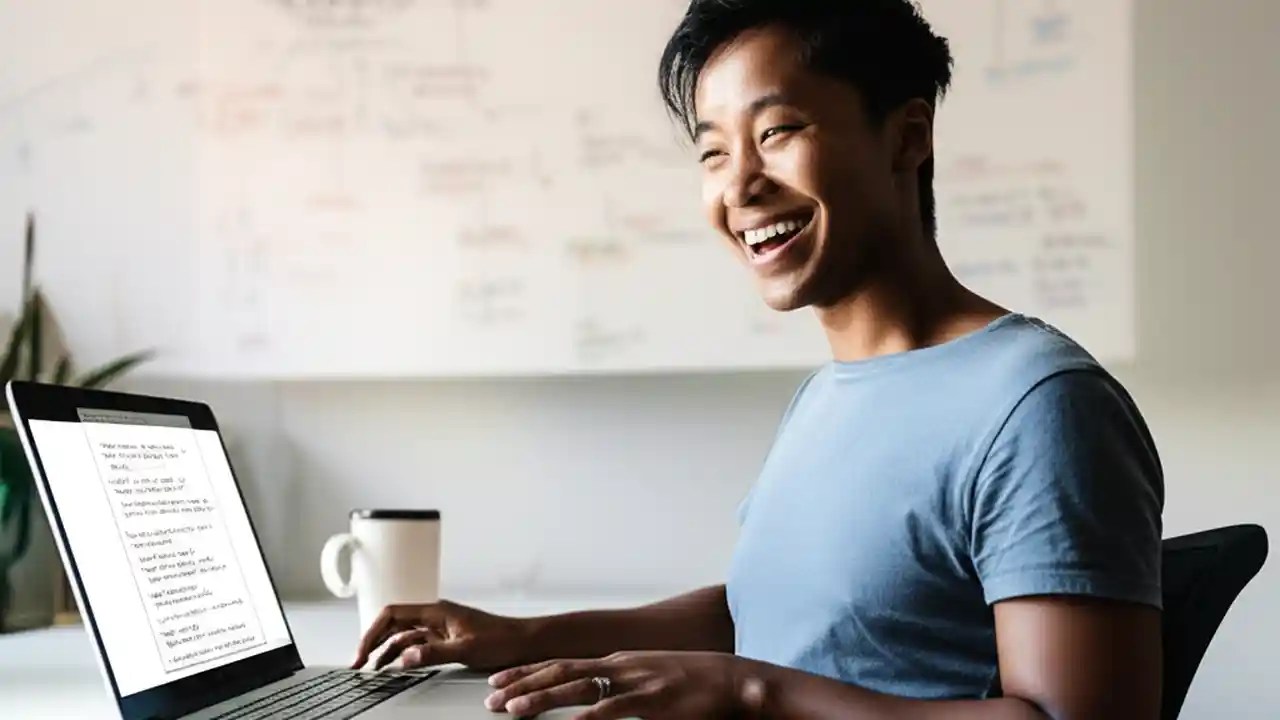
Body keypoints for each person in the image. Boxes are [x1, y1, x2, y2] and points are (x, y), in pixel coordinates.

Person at [350, 1, 1164, 718]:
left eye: (777, 132)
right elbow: (762, 615)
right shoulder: (828, 396)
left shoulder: (1039, 405)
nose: (739, 186)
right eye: (712, 152)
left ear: (906, 137)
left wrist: (749, 692)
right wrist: (522, 636)